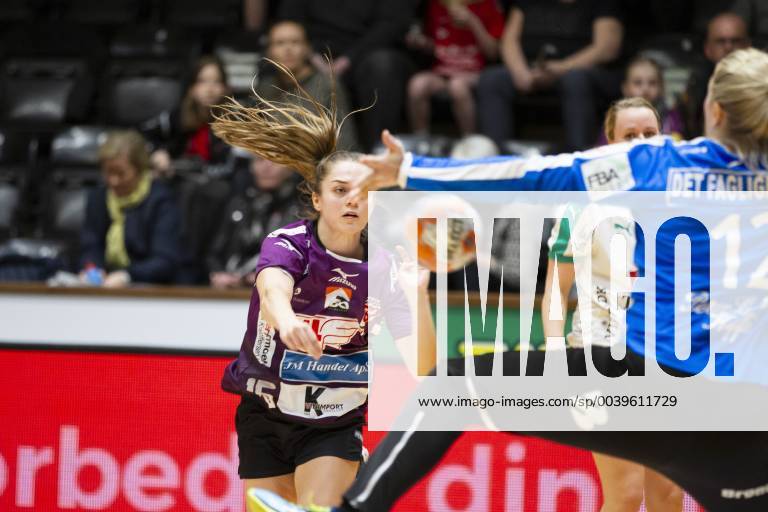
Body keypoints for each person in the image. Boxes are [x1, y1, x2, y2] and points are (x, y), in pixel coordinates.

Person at [249, 47, 768, 512]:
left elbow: (534, 175)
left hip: (645, 386)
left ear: (714, 110)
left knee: (453, 384)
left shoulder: (656, 163)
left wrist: (410, 171)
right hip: (746, 420)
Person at [210, 64, 436, 508]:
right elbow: (272, 287)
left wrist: (419, 298)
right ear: (317, 198)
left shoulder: (388, 268)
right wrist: (289, 321)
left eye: (365, 191)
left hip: (336, 419)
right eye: (339, 190)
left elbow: (422, 365)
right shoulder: (288, 243)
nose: (354, 200)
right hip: (265, 412)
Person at [543, 97, 683, 511]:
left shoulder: (682, 199)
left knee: (669, 494)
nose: (641, 143)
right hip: (600, 355)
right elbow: (555, 290)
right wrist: (555, 356)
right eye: (629, 135)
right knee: (625, 495)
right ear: (610, 142)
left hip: (668, 356)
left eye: (649, 134)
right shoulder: (580, 202)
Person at [477, 0, 625, 150]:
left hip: (581, 70)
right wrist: (519, 71)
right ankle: (495, 154)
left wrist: (562, 68)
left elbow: (607, 48)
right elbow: (509, 40)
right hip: (531, 68)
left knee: (575, 80)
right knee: (492, 79)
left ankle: (578, 154)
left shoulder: (602, 4)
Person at [278, 0, 415, 151]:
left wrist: (349, 59)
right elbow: (290, 17)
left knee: (383, 65)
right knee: (281, 55)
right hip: (312, 53)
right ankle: (280, 152)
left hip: (369, 52)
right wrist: (311, 54)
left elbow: (393, 23)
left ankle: (380, 150)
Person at [80, 130, 181, 287]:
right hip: (104, 283)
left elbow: (164, 261)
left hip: (149, 288)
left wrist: (127, 276)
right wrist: (92, 269)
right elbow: (90, 246)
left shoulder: (161, 200)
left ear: (140, 170)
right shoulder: (98, 198)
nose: (113, 181)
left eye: (121, 173)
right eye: (108, 172)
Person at [255, 20, 359, 150]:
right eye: (280, 43)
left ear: (307, 48)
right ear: (269, 51)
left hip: (317, 163)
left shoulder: (326, 85)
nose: (288, 49)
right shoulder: (265, 87)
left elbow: (344, 139)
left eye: (295, 42)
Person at [406, 0, 504, 136]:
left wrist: (473, 22)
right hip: (443, 71)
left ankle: (469, 141)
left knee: (457, 86)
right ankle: (421, 140)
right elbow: (436, 46)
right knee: (417, 85)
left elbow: (493, 53)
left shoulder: (489, 5)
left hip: (474, 72)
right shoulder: (437, 5)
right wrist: (421, 43)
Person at [207, 157, 301, 289]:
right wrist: (218, 273)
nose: (266, 167)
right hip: (230, 288)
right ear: (251, 167)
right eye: (260, 160)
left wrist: (265, 273)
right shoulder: (239, 204)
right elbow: (214, 252)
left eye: (275, 160)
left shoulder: (301, 211)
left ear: (291, 168)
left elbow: (300, 259)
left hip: (280, 290)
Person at [150, 55, 232, 176]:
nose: (210, 88)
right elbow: (143, 135)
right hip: (178, 181)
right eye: (202, 81)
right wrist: (157, 152)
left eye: (217, 81)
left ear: (225, 88)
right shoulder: (177, 117)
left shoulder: (233, 122)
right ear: (191, 88)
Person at [679, 12, 751, 138]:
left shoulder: (763, 84)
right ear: (707, 49)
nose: (728, 47)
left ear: (748, 45)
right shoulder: (696, 89)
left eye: (736, 41)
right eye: (720, 41)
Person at [595, 57, 683, 145]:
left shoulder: (671, 117)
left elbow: (677, 143)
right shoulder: (615, 118)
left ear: (662, 87)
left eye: (652, 82)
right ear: (625, 88)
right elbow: (603, 150)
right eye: (637, 82)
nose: (645, 89)